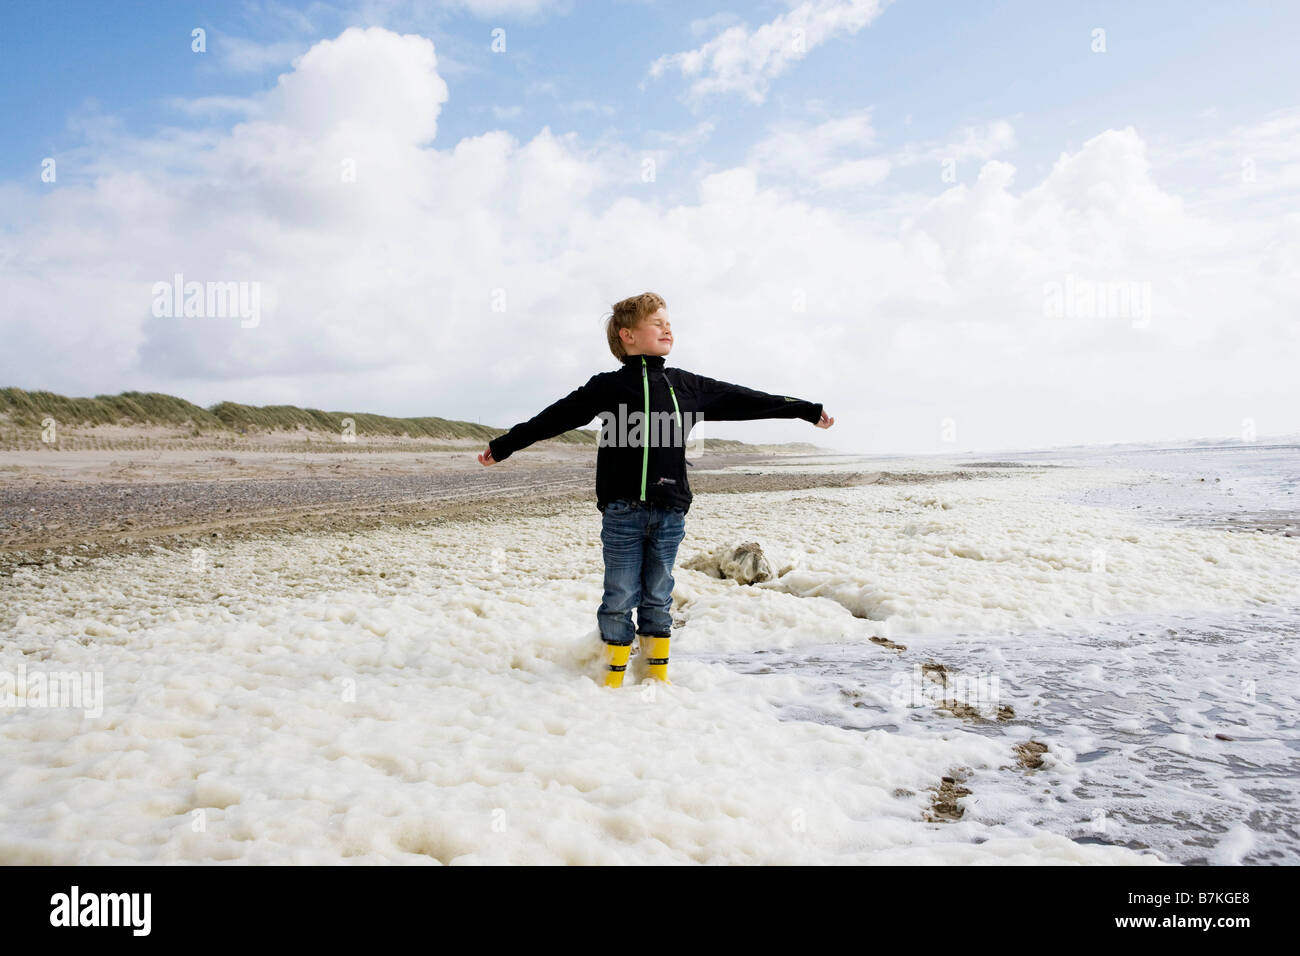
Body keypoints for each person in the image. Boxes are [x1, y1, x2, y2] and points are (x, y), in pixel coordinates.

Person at [477, 292, 834, 687]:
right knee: (618, 595)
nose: (667, 328)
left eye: (669, 322)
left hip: (669, 510)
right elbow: (554, 417)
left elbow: (747, 400)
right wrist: (504, 445)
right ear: (627, 336)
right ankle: (609, 682)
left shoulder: (687, 385)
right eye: (657, 322)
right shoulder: (606, 387)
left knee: (659, 596)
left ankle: (654, 684)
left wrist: (804, 408)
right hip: (621, 512)